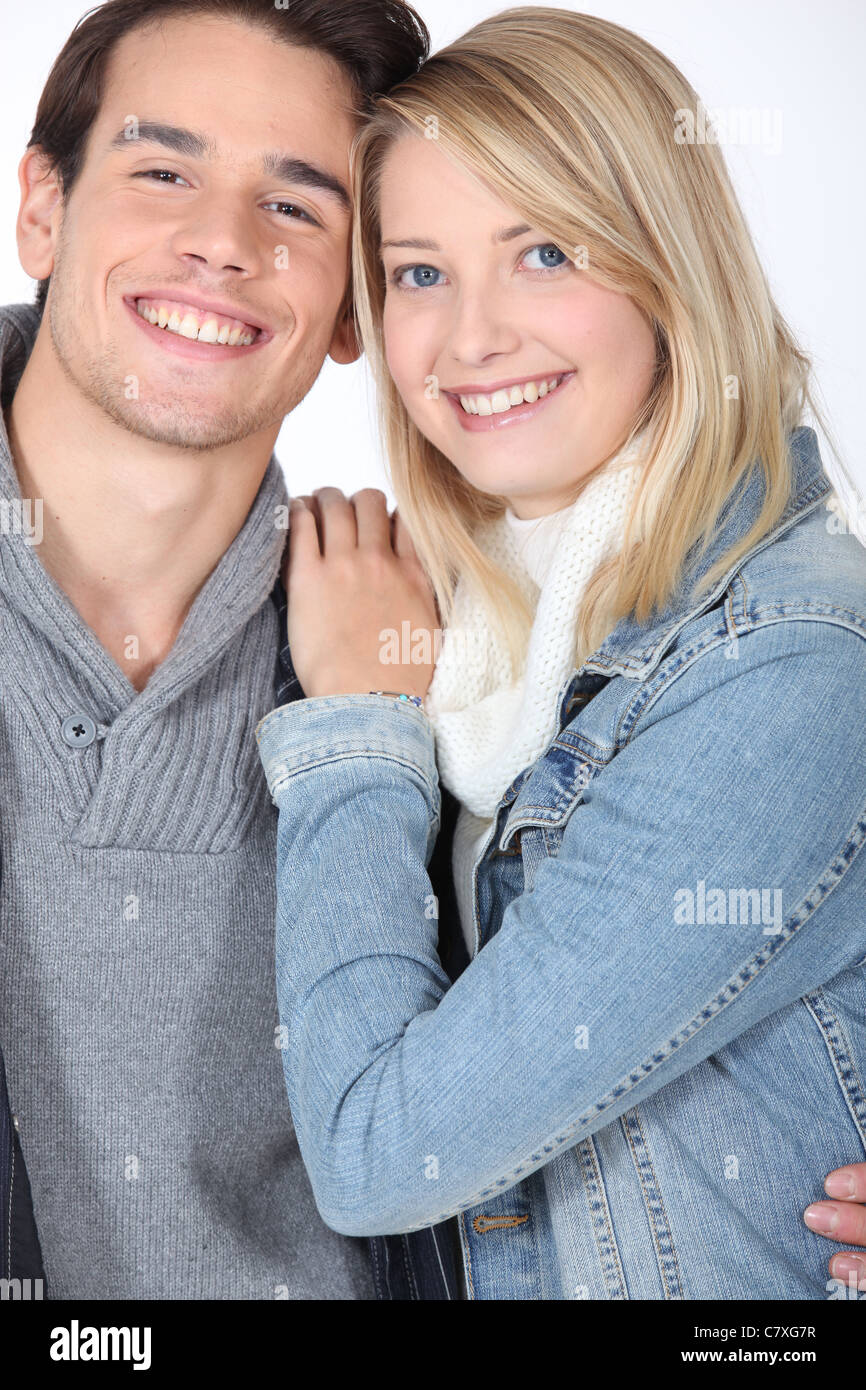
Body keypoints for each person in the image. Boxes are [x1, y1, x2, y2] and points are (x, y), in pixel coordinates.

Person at [257, 7, 866, 1298]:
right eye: (418, 270)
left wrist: (359, 727)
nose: (470, 337)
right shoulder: (430, 607)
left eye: (543, 253)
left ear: (668, 266)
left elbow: (382, 1152)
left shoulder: (785, 660)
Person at [0, 0, 430, 1299]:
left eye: (295, 207)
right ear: (42, 210)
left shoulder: (449, 659)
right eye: (164, 172)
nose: (222, 245)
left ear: (352, 304)